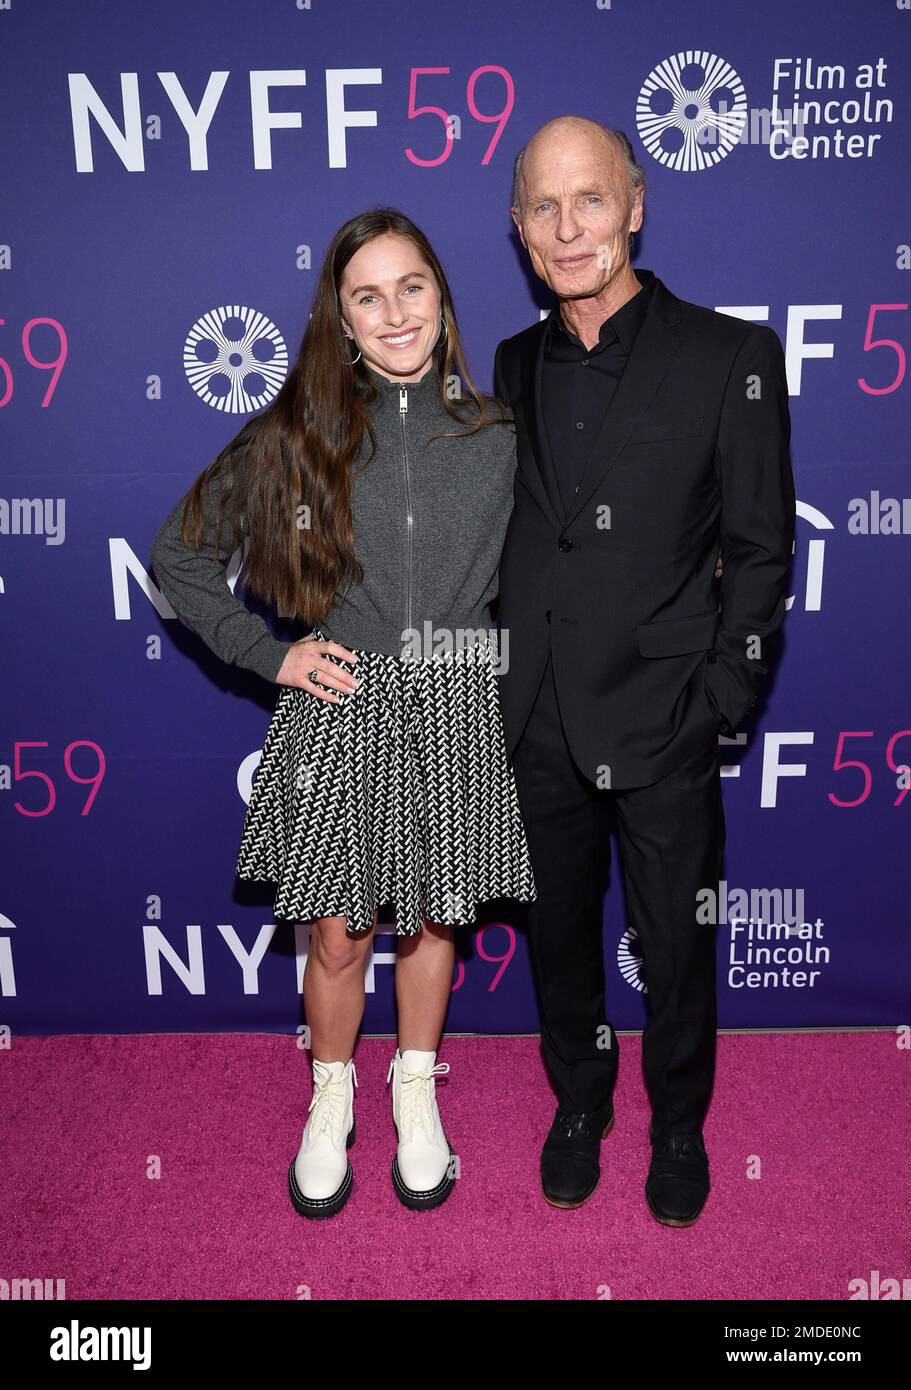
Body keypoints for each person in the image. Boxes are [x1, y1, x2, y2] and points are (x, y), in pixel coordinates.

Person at [151, 208, 536, 1220]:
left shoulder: (496, 432)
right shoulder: (297, 434)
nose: (394, 311)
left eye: (412, 286)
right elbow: (177, 559)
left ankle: (415, 1086)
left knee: (433, 923)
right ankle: (331, 1095)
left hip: (453, 701)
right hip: (343, 704)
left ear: (442, 300)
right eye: (368, 295)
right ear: (342, 317)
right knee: (336, 936)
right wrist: (267, 653)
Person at [494, 116, 795, 1224]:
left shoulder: (728, 357)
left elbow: (761, 547)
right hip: (534, 719)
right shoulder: (512, 363)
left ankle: (676, 1123)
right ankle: (580, 1103)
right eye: (542, 206)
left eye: (588, 199)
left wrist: (722, 697)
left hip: (666, 712)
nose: (567, 228)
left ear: (634, 202)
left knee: (674, 942)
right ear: (519, 230)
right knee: (559, 938)